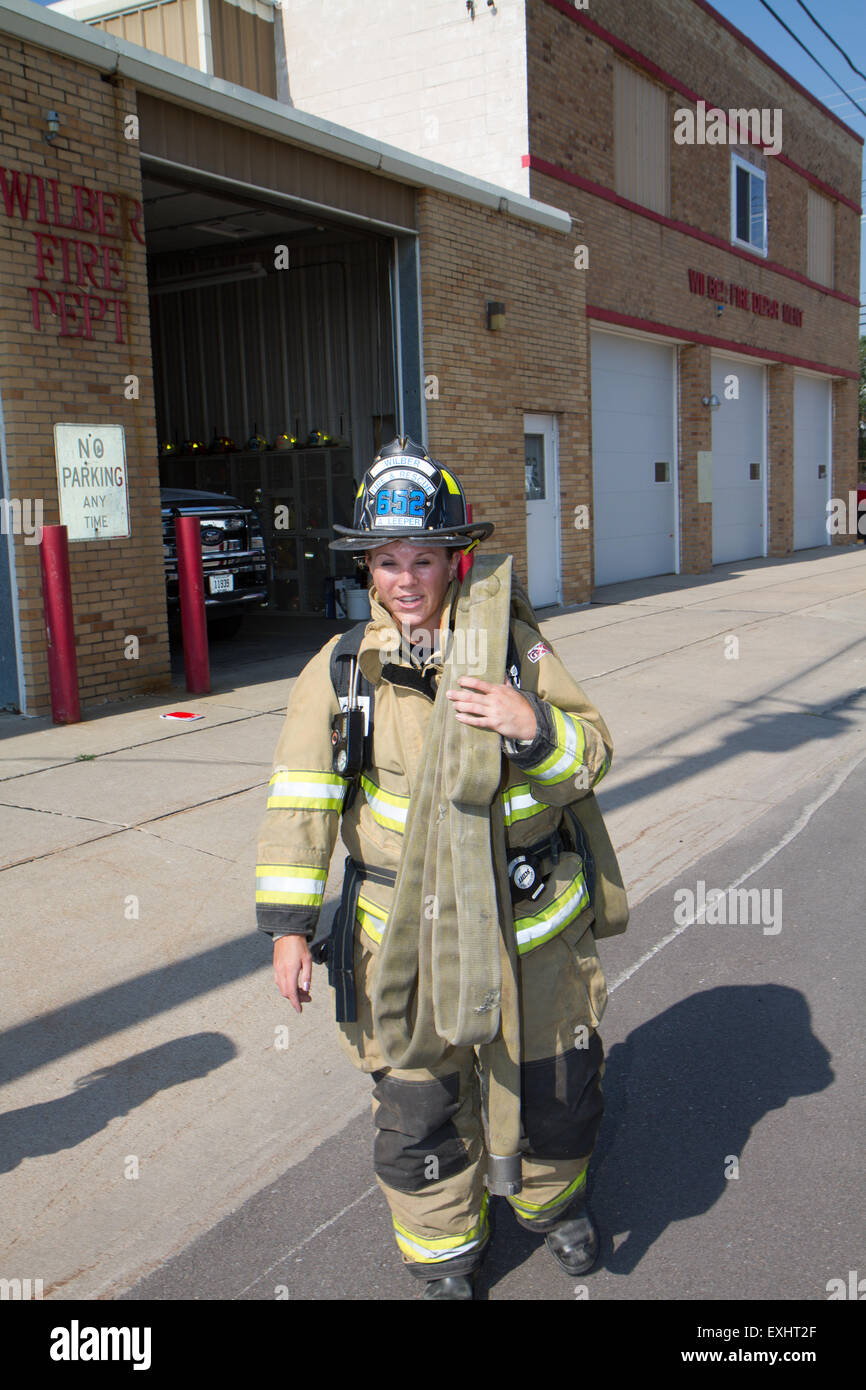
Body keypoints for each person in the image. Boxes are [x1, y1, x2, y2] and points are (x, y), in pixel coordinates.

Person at [255, 436, 624, 1300]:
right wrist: (289, 931)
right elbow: (301, 801)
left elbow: (593, 756)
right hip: (402, 943)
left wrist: (527, 722)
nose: (407, 579)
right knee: (422, 1110)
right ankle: (445, 1256)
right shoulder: (343, 672)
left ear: (457, 561)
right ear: (367, 568)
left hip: (536, 936)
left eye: (425, 557)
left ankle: (551, 1207)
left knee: (559, 1090)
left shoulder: (517, 649)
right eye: (388, 560)